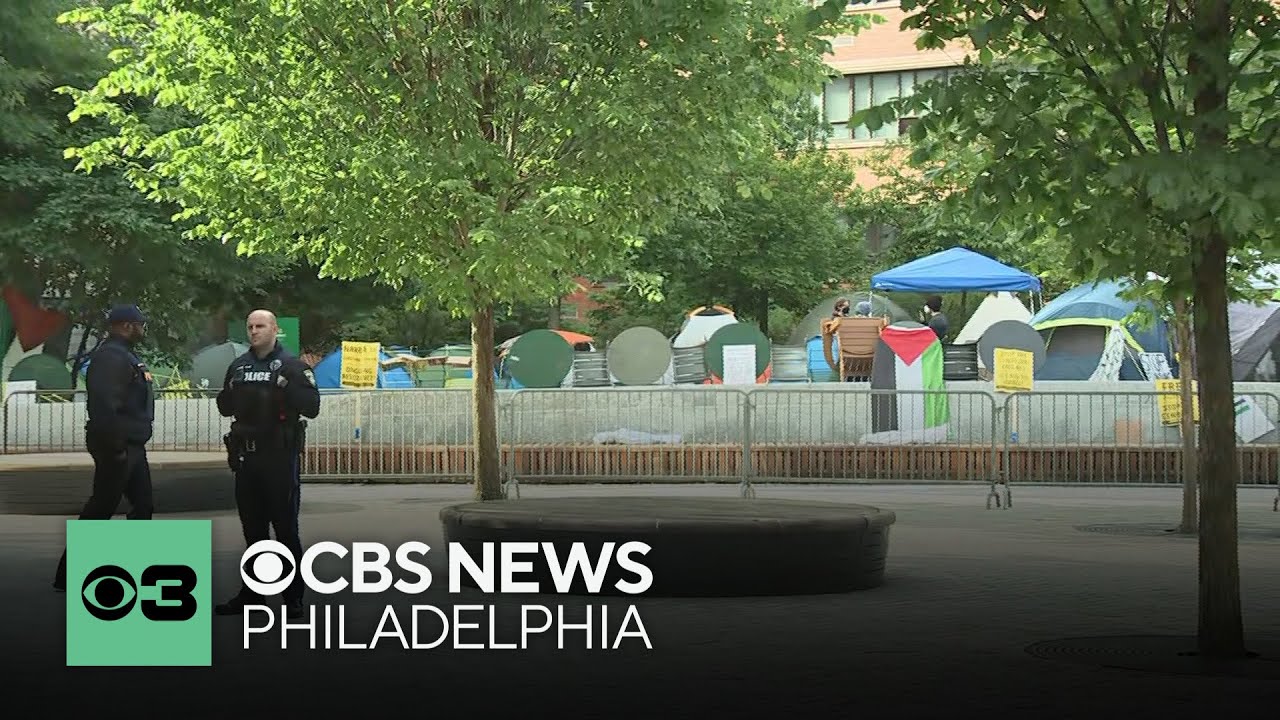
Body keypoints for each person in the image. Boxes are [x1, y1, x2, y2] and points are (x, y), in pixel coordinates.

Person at [213, 309, 320, 620]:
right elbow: (224, 406)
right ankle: (253, 593)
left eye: (260, 325)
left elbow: (312, 407)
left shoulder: (292, 366)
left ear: (275, 330)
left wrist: (287, 388)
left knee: (286, 530)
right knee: (253, 531)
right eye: (250, 326)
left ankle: (293, 597)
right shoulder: (239, 366)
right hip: (247, 459)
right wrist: (232, 390)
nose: (254, 331)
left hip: (278, 458)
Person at [53, 304, 155, 592]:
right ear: (126, 326)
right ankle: (67, 574)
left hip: (132, 445)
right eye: (140, 323)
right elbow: (104, 407)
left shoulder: (125, 355)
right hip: (118, 446)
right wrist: (116, 448)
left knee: (143, 504)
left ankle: (134, 564)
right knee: (102, 506)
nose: (143, 328)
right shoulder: (111, 358)